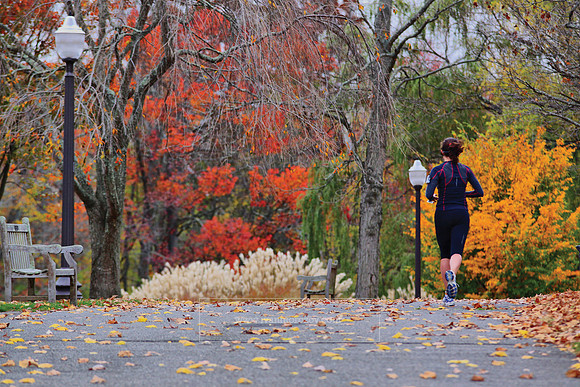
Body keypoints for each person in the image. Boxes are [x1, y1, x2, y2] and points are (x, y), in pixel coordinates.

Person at [425, 138, 484, 306]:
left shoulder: (437, 171)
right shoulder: (466, 170)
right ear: (458, 152)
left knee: (444, 253)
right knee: (456, 251)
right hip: (461, 213)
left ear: (442, 152)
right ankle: (453, 273)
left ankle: (448, 296)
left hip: (442, 213)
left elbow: (428, 194)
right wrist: (463, 194)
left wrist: (435, 197)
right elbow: (480, 192)